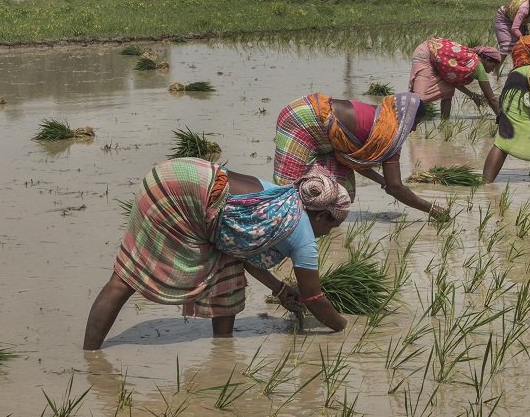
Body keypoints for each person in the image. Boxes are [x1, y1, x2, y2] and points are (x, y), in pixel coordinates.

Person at [83, 160, 351, 350]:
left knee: (227, 268)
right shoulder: (303, 235)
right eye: (331, 226)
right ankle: (89, 358)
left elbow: (239, 252)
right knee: (124, 280)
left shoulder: (281, 199)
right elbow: (314, 298)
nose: (327, 233)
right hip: (180, 195)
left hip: (177, 173)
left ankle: (223, 351)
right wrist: (342, 328)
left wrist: (280, 289)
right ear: (323, 214)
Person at [273, 92, 448, 221]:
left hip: (324, 138)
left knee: (341, 189)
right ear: (408, 119)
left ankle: (315, 224)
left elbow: (354, 162)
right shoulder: (388, 133)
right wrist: (432, 209)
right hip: (301, 119)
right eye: (415, 123)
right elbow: (395, 187)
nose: (414, 129)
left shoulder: (383, 119)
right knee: (288, 190)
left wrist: (382, 181)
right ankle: (278, 224)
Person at [408, 38, 501, 119]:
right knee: (418, 98)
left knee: (448, 90)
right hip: (426, 53)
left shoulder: (471, 61)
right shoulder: (478, 67)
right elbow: (491, 99)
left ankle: (445, 123)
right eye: (493, 66)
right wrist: (503, 119)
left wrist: (472, 95)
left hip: (436, 60)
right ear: (487, 60)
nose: (493, 70)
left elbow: (453, 82)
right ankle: (405, 116)